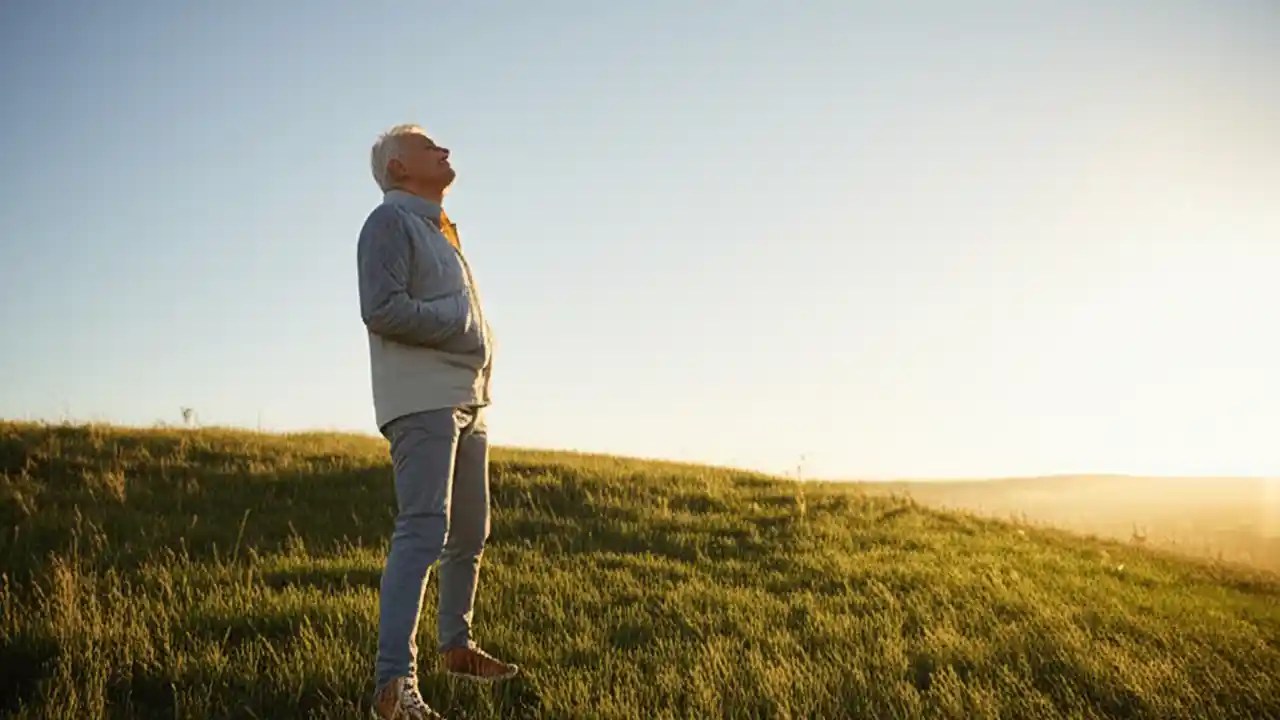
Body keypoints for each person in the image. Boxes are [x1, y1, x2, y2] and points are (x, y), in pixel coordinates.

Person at [357, 123, 517, 720]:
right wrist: (457, 319)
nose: (444, 150)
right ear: (400, 167)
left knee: (470, 532)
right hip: (421, 401)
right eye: (428, 146)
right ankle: (392, 687)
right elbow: (382, 308)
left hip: (467, 399)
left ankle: (456, 648)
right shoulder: (389, 224)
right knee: (423, 529)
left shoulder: (440, 231)